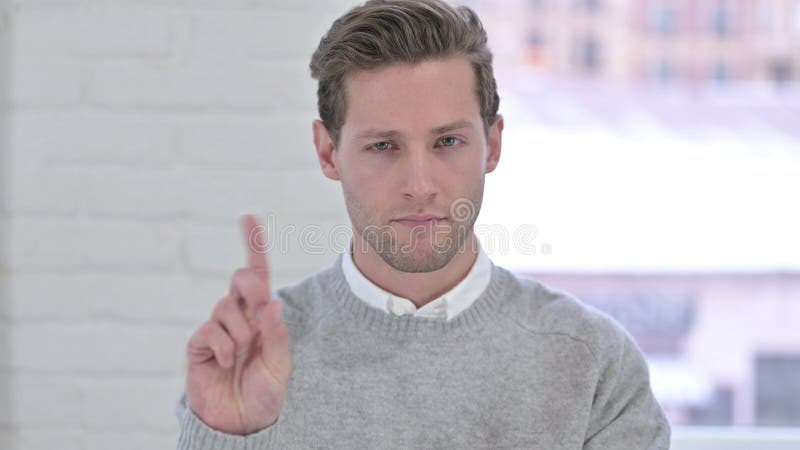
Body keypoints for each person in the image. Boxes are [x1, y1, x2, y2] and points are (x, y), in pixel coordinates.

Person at [175, 0, 671, 448]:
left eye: (447, 142)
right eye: (383, 146)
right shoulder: (252, 358)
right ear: (329, 152)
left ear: (492, 145)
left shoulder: (592, 363)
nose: (419, 184)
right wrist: (229, 438)